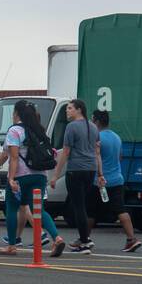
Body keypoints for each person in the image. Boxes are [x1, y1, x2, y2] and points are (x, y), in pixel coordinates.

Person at [0, 99, 64, 257]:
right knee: (39, 209)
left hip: (21, 176)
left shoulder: (14, 131)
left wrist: (10, 178)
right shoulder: (39, 129)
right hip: (39, 175)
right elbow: (6, 154)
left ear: (16, 113)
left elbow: (14, 157)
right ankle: (56, 238)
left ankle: (12, 245)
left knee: (11, 208)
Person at [50, 99, 101, 253]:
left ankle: (84, 241)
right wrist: (100, 173)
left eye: (70, 108)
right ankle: (84, 237)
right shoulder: (93, 127)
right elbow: (97, 152)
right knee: (81, 204)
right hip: (90, 169)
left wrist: (55, 175)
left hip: (76, 169)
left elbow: (66, 152)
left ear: (79, 110)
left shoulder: (71, 127)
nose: (67, 111)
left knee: (78, 206)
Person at [90, 109, 142, 253]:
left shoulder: (97, 137)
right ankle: (132, 239)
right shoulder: (116, 137)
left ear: (97, 121)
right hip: (117, 179)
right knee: (120, 209)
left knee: (90, 211)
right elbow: (120, 157)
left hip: (100, 181)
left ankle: (84, 240)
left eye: (92, 120)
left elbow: (95, 157)